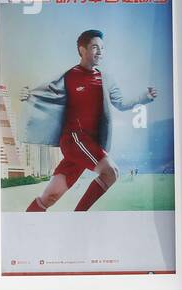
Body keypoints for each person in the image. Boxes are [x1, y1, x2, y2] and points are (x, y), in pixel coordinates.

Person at [20, 29, 156, 213]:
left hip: (90, 145)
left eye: (102, 48)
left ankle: (26, 223)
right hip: (74, 139)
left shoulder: (106, 79)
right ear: (82, 50)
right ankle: (79, 219)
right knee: (111, 172)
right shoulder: (68, 76)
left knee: (49, 198)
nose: (100, 52)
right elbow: (43, 94)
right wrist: (28, 95)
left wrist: (144, 97)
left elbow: (122, 104)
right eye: (94, 47)